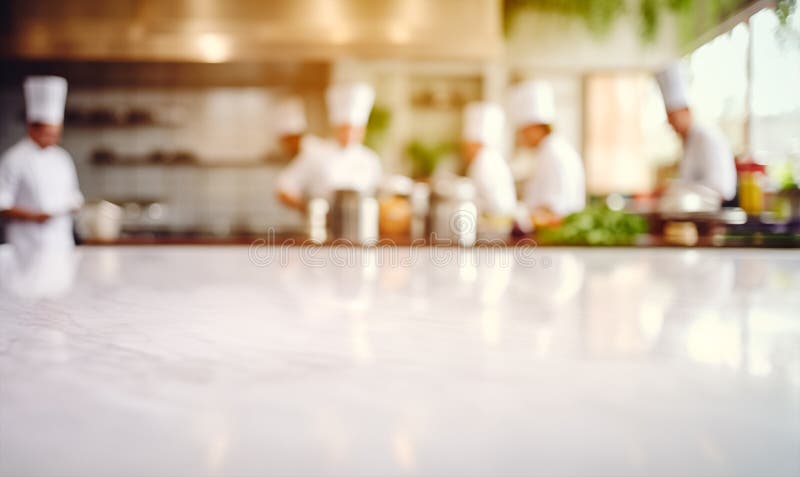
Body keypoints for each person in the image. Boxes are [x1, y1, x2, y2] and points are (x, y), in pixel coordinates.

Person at [0, 76, 84, 255]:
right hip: (25, 245)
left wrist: (74, 205)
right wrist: (34, 217)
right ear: (31, 127)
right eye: (47, 134)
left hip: (61, 244)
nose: (53, 139)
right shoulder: (13, 159)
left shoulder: (62, 158)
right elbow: (2, 205)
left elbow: (74, 196)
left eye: (56, 134)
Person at [276, 82, 382, 210]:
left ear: (363, 130)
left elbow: (380, 197)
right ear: (334, 128)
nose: (349, 134)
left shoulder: (370, 159)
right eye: (344, 129)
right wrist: (306, 210)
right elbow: (284, 187)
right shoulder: (315, 153)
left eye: (354, 129)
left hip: (361, 227)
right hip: (321, 227)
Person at [655, 62, 737, 201]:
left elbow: (720, 188)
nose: (669, 123)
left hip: (717, 215)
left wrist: (674, 189)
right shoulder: (689, 141)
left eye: (672, 116)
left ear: (687, 111)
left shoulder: (705, 138)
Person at [509, 80, 586, 226]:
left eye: (523, 131)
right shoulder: (553, 149)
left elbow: (552, 208)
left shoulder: (553, 154)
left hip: (556, 235)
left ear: (535, 127)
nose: (521, 137)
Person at [460, 101, 517, 232]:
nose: (463, 148)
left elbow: (495, 206)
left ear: (475, 141)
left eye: (466, 143)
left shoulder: (484, 161)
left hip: (494, 231)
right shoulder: (489, 158)